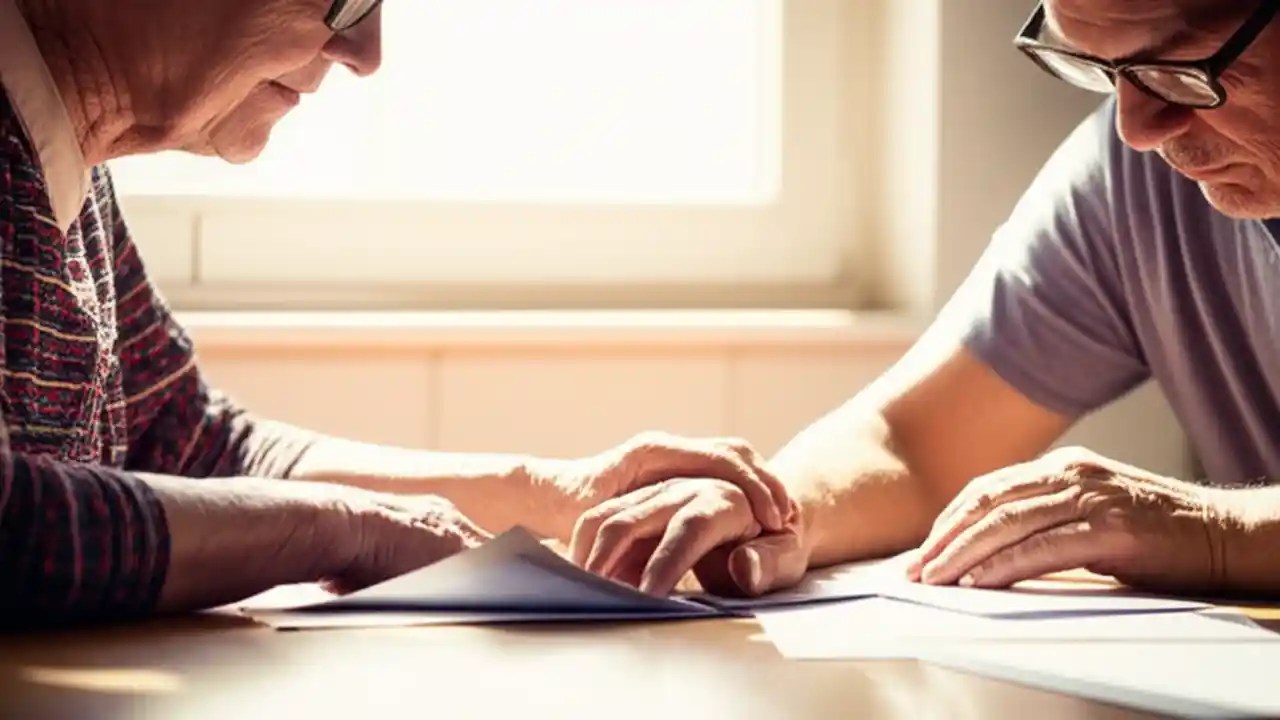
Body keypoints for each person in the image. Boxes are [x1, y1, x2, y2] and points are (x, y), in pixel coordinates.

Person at [0, 0, 795, 624]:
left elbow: (188, 442)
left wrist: (551, 491)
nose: (366, 53)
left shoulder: (65, 154)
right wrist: (337, 527)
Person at [573, 0, 1280, 601]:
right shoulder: (1143, 185)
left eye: (1181, 70)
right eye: (1101, 69)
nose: (1136, 128)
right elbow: (917, 444)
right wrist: (772, 507)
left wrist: (1217, 533)